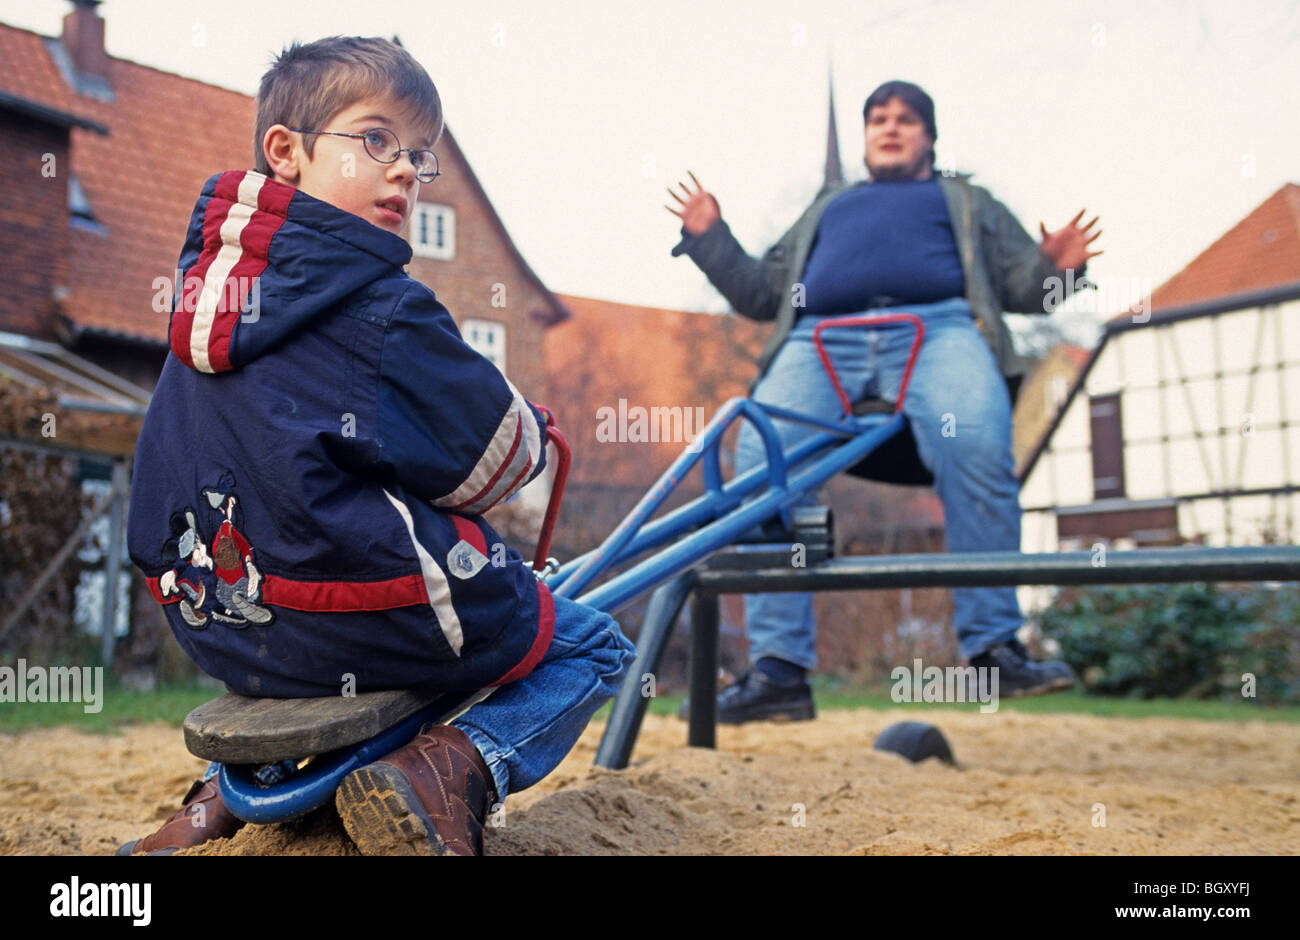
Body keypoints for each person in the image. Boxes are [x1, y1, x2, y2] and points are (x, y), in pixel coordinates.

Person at [120, 36, 634, 856]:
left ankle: (219, 799)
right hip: (347, 615)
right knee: (591, 643)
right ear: (286, 151)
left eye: (419, 156)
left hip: (218, 617)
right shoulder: (385, 306)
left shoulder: (204, 303)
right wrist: (533, 432)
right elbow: (490, 464)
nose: (406, 170)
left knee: (370, 608)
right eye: (377, 139)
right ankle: (455, 766)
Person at [667, 80, 1099, 723]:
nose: (889, 127)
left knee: (975, 436)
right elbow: (761, 293)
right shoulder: (829, 206)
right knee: (762, 452)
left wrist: (1057, 272)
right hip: (822, 338)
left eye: (905, 119)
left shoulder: (963, 199)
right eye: (878, 119)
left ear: (929, 136)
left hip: (940, 329)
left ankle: (993, 650)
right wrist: (710, 239)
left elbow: (1021, 288)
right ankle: (779, 672)